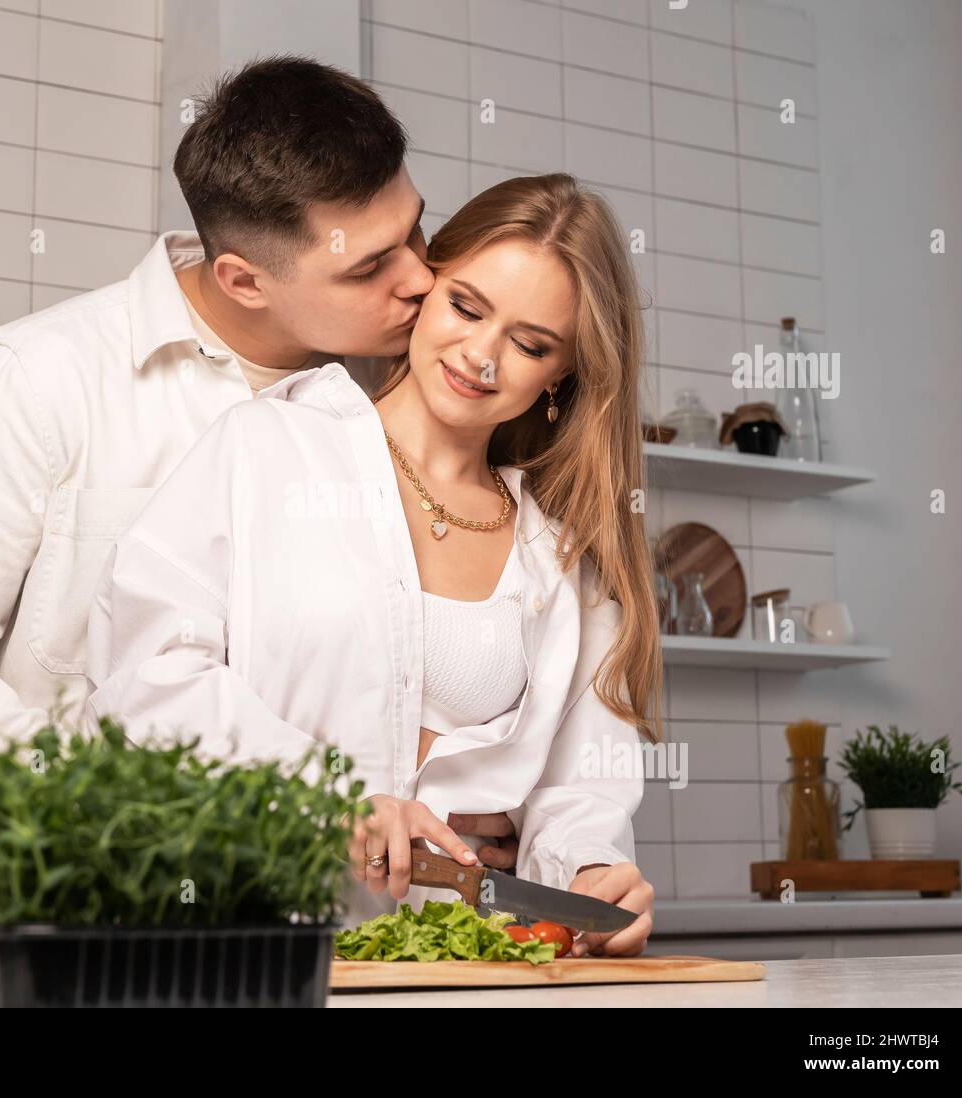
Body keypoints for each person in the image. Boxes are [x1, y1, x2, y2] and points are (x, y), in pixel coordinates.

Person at [0, 57, 553, 918]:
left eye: (416, 233)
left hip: (333, 937)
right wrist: (112, 806)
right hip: (82, 923)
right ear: (243, 279)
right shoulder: (41, 378)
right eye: (369, 269)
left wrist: (472, 797)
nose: (420, 280)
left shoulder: (411, 392)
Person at [86, 173, 662, 955]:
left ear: (560, 374)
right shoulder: (264, 448)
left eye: (530, 345)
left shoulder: (562, 560)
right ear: (425, 287)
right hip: (242, 949)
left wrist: (593, 872)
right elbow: (144, 680)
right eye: (466, 306)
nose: (481, 356)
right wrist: (333, 797)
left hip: (459, 966)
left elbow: (578, 786)